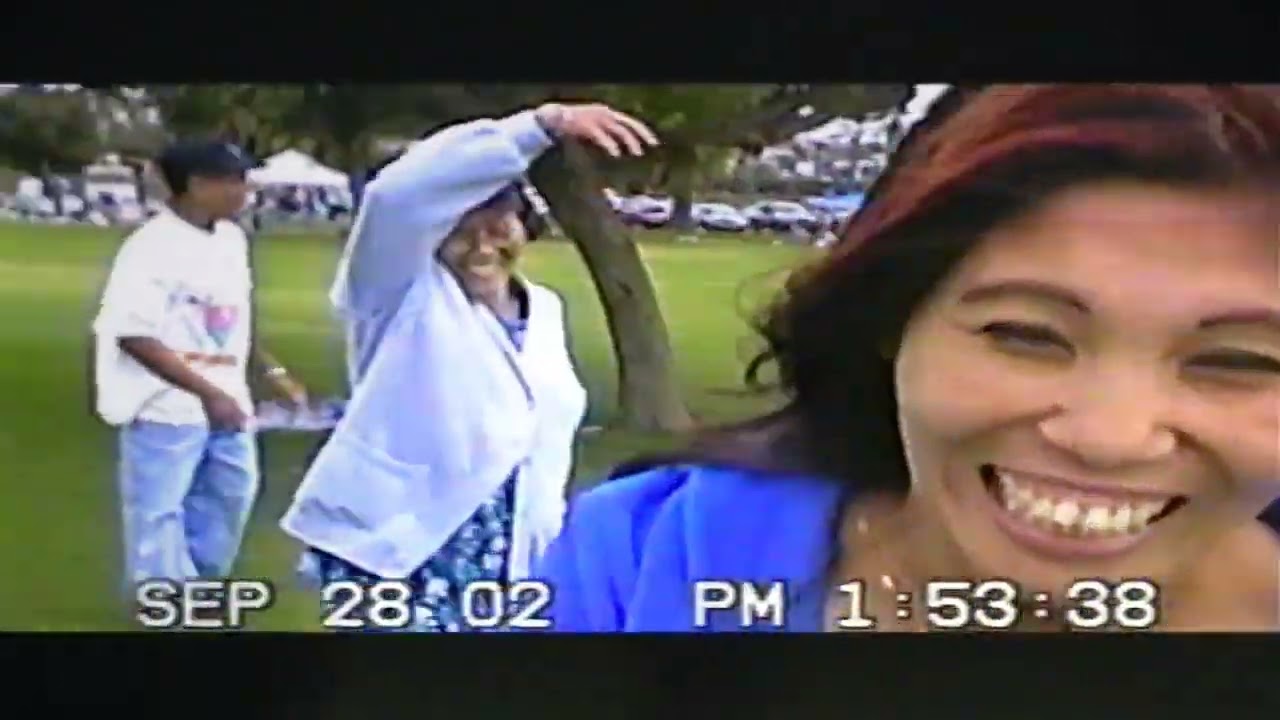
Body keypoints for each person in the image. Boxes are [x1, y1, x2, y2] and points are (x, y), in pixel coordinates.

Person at [535, 84, 1280, 632]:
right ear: (891, 323)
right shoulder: (645, 561)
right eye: (1024, 334)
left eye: (1241, 362)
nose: (1108, 438)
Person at [280, 102, 659, 632]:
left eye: (498, 223)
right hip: (405, 554)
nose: (482, 244)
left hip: (515, 562)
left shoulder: (544, 310)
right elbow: (395, 198)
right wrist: (541, 126)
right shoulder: (396, 291)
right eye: (462, 227)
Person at [92, 140, 306, 603]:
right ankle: (163, 599)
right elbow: (133, 333)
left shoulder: (231, 239)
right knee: (159, 510)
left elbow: (230, 322)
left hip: (228, 402)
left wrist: (272, 371)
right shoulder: (150, 248)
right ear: (196, 185)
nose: (243, 191)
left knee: (232, 496)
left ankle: (198, 587)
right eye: (232, 181)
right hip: (163, 405)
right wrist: (206, 392)